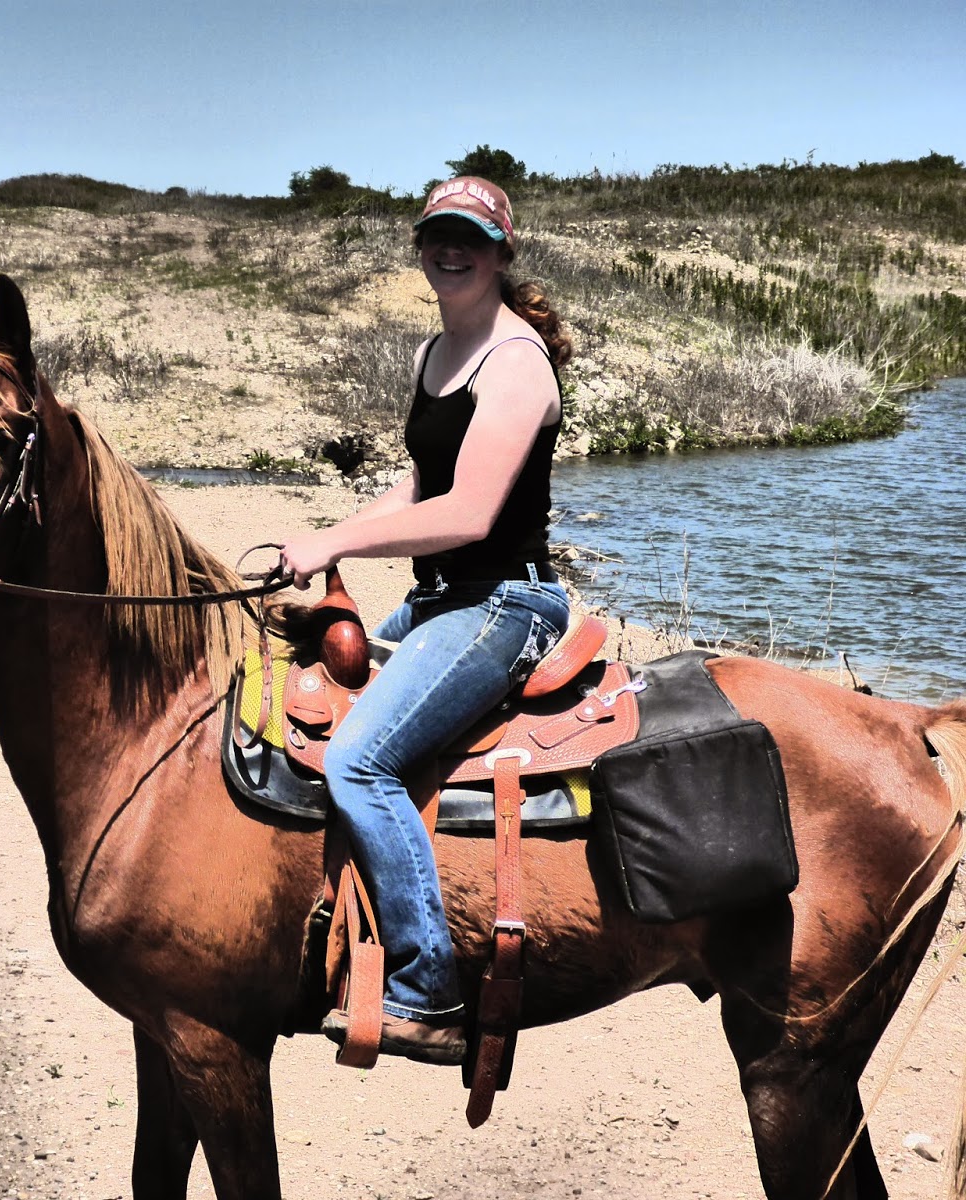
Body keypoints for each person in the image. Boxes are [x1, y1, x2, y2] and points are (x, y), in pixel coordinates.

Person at [279, 176, 573, 1064]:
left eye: (471, 240)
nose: (452, 251)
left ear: (501, 253)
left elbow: (471, 512)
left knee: (363, 760)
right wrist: (337, 540)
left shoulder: (516, 363)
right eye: (438, 236)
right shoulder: (434, 353)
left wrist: (340, 538)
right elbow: (425, 484)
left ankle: (427, 984)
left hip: (504, 603)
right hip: (445, 598)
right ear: (422, 245)